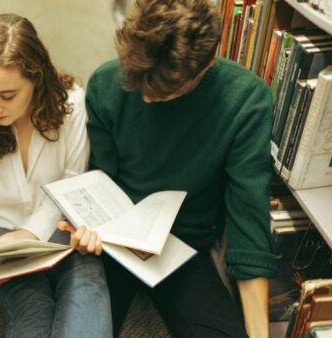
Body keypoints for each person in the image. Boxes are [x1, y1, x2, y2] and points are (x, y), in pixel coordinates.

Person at [70, 0, 275, 336]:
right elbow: (99, 179)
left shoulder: (246, 101)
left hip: (183, 245)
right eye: (140, 84)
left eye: (165, 92)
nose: (148, 98)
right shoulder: (107, 84)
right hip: (111, 239)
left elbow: (249, 224)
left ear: (207, 65)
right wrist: (86, 226)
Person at [0, 13, 111, 338]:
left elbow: (69, 186)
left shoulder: (71, 106)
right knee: (33, 304)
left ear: (36, 78)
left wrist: (29, 234)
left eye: (7, 95)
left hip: (60, 222)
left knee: (88, 285)